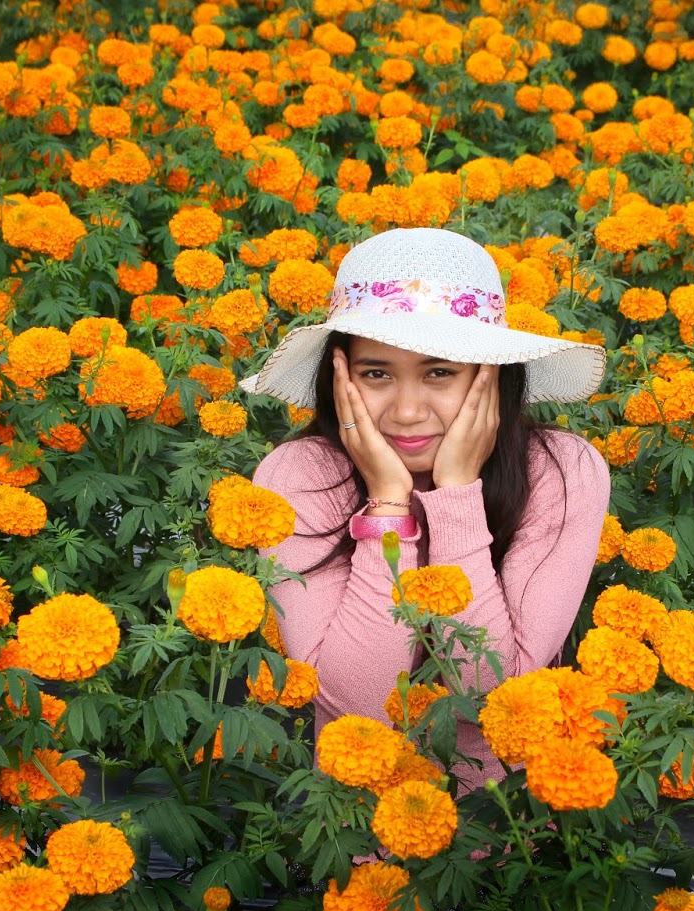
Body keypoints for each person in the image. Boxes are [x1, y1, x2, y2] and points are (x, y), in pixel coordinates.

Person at [243, 228, 611, 786]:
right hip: (356, 829)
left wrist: (458, 494)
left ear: (491, 374)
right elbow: (361, 703)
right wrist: (388, 505)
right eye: (376, 374)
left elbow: (493, 694)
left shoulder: (560, 471)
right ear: (339, 378)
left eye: (440, 372)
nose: (408, 411)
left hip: (518, 831)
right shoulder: (300, 475)